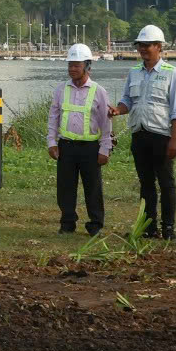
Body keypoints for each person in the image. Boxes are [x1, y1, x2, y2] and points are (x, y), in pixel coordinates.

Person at [109, 24, 176, 239]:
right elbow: (127, 101)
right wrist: (117, 110)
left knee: (166, 182)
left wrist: (174, 140)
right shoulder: (134, 72)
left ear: (159, 46)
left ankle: (168, 228)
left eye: (148, 45)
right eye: (140, 45)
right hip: (139, 134)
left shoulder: (171, 73)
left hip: (161, 135)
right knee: (146, 183)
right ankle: (148, 227)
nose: (143, 49)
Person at [46, 43, 115, 235]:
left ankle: (95, 224)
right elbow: (53, 117)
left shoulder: (99, 91)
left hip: (90, 148)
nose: (72, 69)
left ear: (87, 67)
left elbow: (106, 123)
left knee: (93, 188)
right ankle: (67, 223)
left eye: (76, 65)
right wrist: (52, 142)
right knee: (65, 187)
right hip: (66, 146)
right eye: (70, 65)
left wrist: (105, 149)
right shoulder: (61, 90)